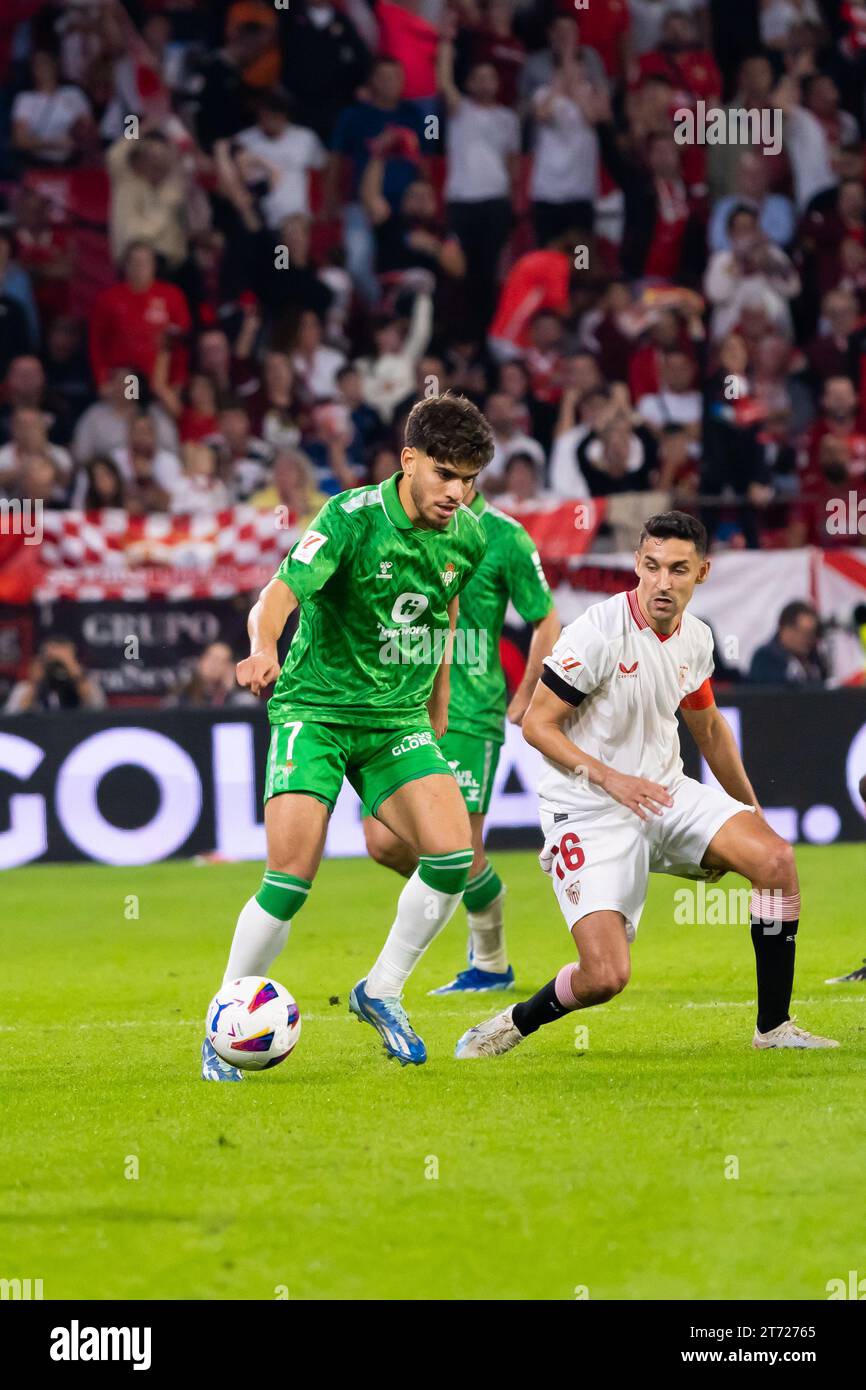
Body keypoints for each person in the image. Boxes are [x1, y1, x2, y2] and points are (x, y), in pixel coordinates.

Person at [456, 511, 838, 1058]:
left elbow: (707, 727)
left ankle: (773, 1029)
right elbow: (538, 725)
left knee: (776, 862)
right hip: (587, 807)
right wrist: (611, 779)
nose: (662, 582)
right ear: (637, 563)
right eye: (652, 566)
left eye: (678, 570)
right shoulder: (595, 634)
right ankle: (517, 1020)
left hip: (664, 793)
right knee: (605, 976)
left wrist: (750, 808)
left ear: (701, 573)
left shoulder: (697, 638)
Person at [201, 393, 492, 1080]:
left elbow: (446, 605)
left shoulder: (469, 536)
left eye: (471, 478)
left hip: (396, 718)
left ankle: (381, 990)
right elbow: (279, 592)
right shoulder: (350, 518)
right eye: (446, 474)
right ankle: (222, 1028)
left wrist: (440, 696)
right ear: (408, 460)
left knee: (453, 858)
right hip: (317, 710)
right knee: (291, 878)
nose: (458, 492)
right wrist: (262, 646)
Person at [362, 476, 560, 995]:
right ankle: (465, 895)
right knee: (382, 842)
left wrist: (528, 692)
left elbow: (546, 619)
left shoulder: (504, 536)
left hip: (471, 713)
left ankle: (491, 963)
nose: (450, 482)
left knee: (463, 848)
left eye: (461, 473)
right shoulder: (400, 526)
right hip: (403, 707)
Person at [3, 638, 106, 713]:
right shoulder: (25, 688)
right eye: (52, 661)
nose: (58, 666)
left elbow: (99, 709)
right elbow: (11, 718)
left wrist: (77, 677)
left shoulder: (87, 685)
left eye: (63, 662)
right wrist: (35, 683)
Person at [747, 602, 828, 686]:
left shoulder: (814, 658)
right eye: (804, 633)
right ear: (786, 630)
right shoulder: (765, 657)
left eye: (812, 633)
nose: (808, 639)